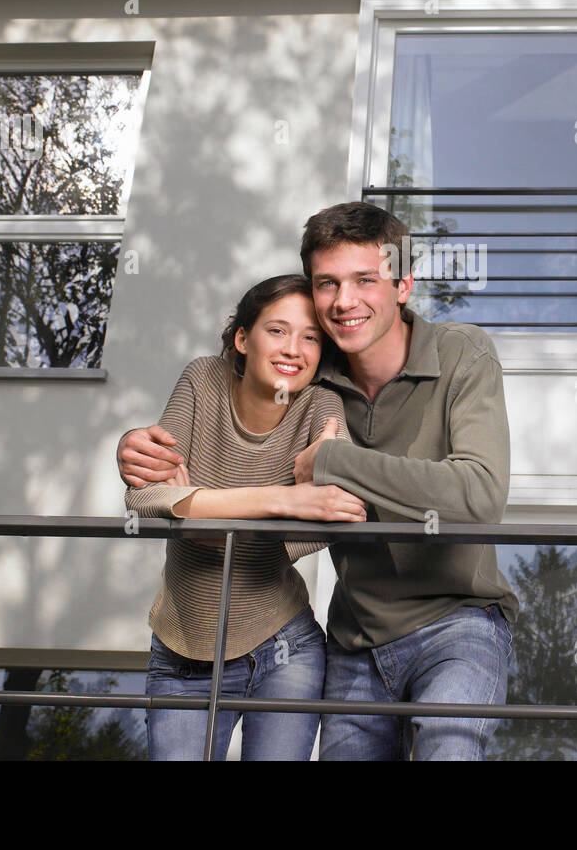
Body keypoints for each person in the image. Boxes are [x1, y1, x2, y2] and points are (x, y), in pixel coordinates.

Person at [120, 201, 518, 761]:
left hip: (456, 620)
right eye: (327, 283)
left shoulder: (462, 354)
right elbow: (230, 465)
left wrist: (331, 463)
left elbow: (477, 497)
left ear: (403, 284)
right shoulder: (309, 368)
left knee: (447, 745)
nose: (343, 301)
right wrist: (139, 453)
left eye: (364, 280)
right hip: (354, 639)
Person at [123, 273, 368, 761]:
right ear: (242, 338)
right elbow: (146, 498)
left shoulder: (323, 406)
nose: (294, 349)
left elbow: (328, 518)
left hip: (284, 648)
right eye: (277, 330)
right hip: (181, 655)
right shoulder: (202, 380)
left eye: (311, 337)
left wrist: (198, 503)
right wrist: (286, 500)